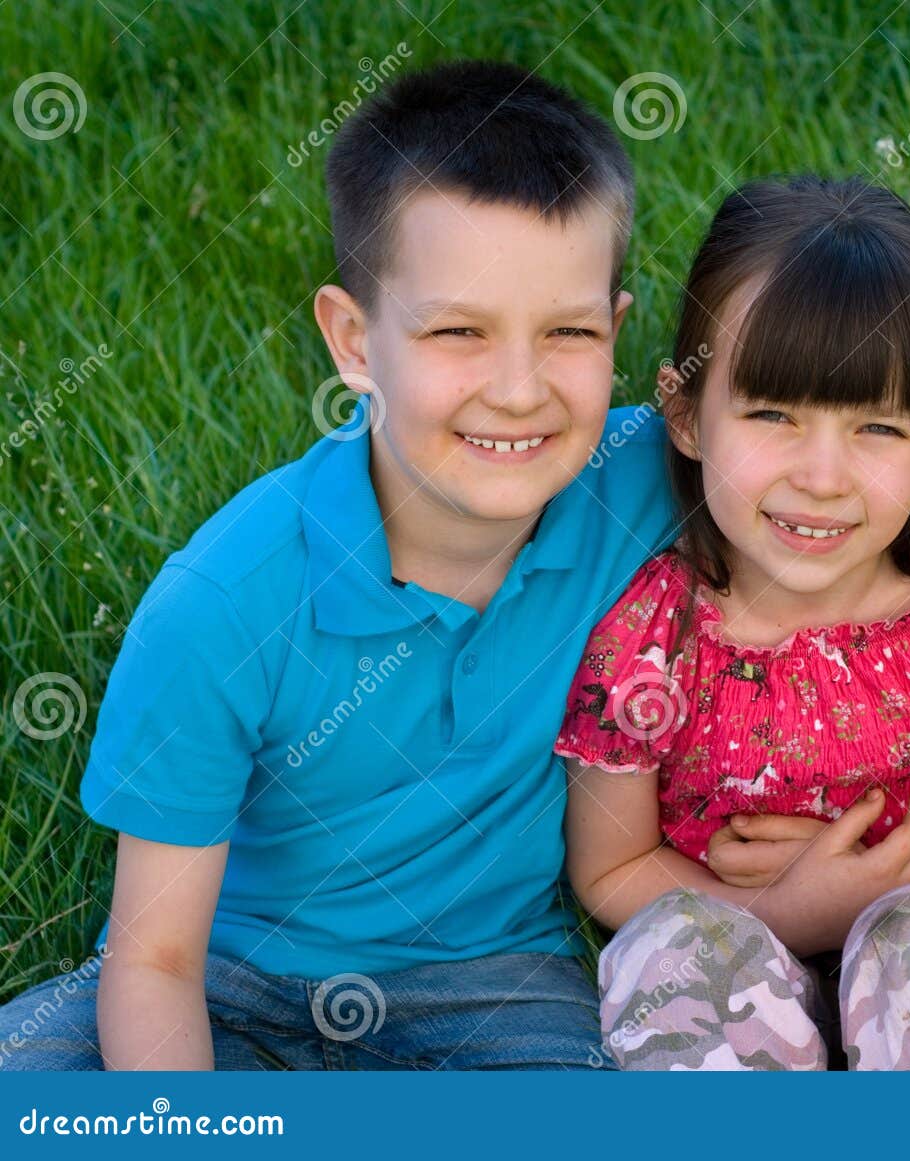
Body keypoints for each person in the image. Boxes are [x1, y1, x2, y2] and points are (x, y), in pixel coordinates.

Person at [0, 60, 673, 1070]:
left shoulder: (644, 481)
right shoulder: (224, 602)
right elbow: (155, 960)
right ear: (353, 340)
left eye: (567, 333)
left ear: (616, 332)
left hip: (491, 990)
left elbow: (821, 439)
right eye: (459, 331)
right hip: (225, 977)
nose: (522, 390)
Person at [557, 176, 910, 1070]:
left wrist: (897, 878)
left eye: (877, 427)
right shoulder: (651, 637)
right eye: (771, 415)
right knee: (675, 955)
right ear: (685, 413)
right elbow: (611, 866)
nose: (823, 476)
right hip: (734, 914)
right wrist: (790, 911)